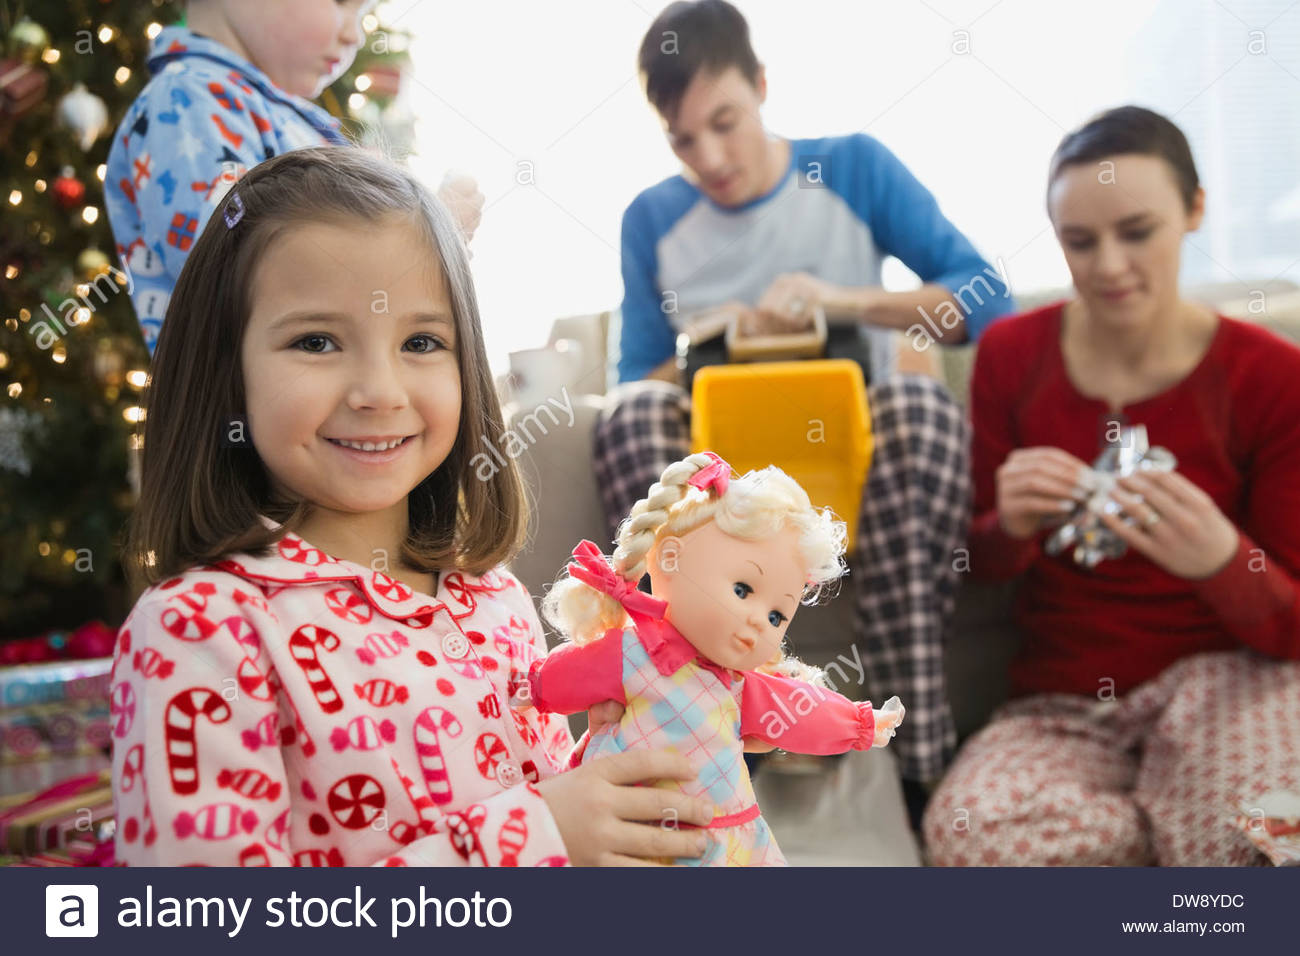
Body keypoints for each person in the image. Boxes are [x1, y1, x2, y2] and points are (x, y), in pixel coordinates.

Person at [111, 147, 715, 867]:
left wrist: (620, 785)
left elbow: (549, 805)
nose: (380, 391)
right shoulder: (197, 631)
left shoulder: (495, 604)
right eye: (316, 341)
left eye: (422, 342)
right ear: (225, 369)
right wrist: (531, 838)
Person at [597, 0, 1016, 786]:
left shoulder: (852, 166)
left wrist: (843, 302)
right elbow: (631, 391)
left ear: (761, 83)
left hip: (857, 473)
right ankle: (697, 726)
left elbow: (988, 301)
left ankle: (915, 765)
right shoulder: (650, 219)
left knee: (920, 405)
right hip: (722, 498)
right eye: (684, 140)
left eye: (726, 120)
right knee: (633, 416)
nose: (713, 157)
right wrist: (708, 342)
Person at [923, 106, 1300, 866]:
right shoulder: (1011, 356)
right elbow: (975, 568)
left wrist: (1224, 559)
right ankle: (1174, 832)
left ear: (1194, 212)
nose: (1108, 267)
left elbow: (1292, 629)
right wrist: (1010, 528)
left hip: (1230, 684)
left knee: (1263, 834)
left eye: (1137, 232)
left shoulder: (1271, 377)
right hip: (1064, 703)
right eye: (1080, 242)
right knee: (965, 837)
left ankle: (1172, 836)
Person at [104, 0, 483, 355]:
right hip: (244, 413)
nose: (355, 35)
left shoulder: (293, 119)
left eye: (362, 12)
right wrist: (425, 239)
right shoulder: (187, 102)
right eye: (339, 2)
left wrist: (432, 239)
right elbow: (237, 270)